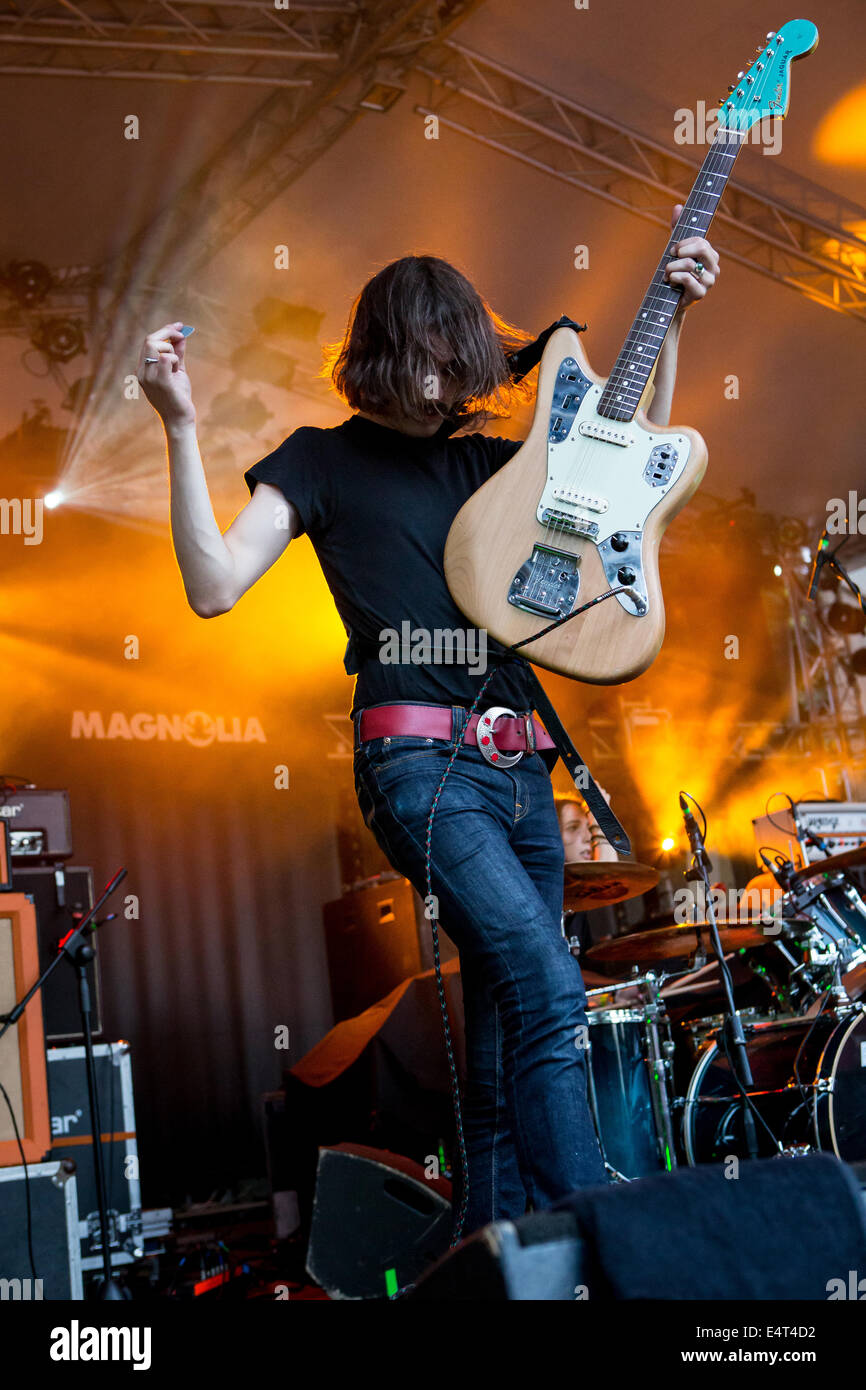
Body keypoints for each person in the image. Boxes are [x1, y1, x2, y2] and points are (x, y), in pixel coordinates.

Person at [138, 209, 719, 1237]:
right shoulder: (317, 460)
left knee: (501, 1044)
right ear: (390, 352)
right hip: (415, 765)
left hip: (520, 774)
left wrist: (666, 320)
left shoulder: (481, 463)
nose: (450, 374)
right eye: (432, 351)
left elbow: (620, 463)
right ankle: (598, 1227)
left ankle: (491, 1258)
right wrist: (180, 427)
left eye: (462, 353)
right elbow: (214, 585)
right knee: (546, 983)